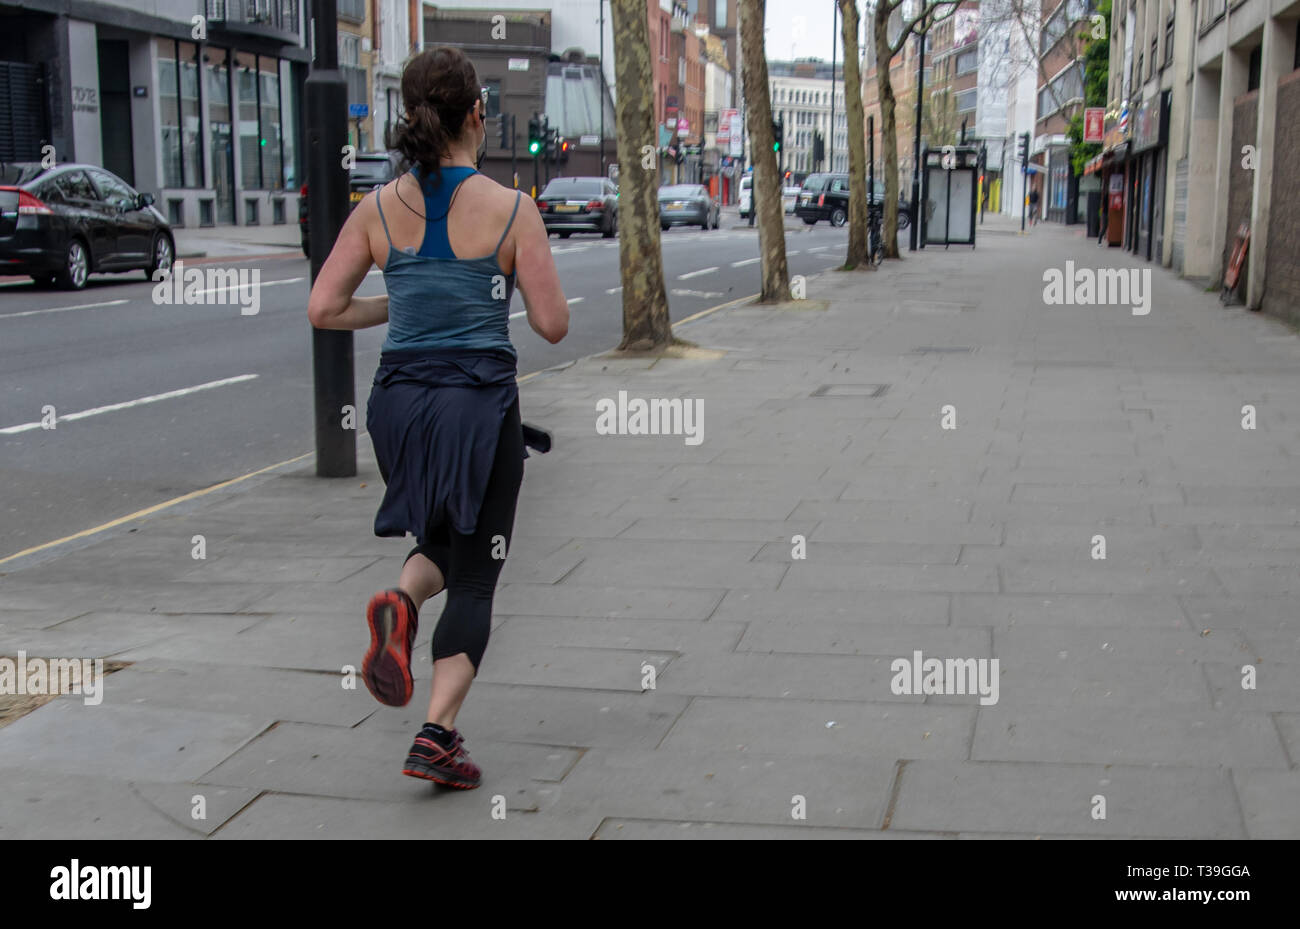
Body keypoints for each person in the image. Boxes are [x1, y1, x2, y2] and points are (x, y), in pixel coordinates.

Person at [307, 46, 569, 789]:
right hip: (478, 410)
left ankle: (399, 599)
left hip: (396, 407)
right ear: (477, 116)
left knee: (440, 545)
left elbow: (322, 308)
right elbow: (551, 324)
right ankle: (438, 733)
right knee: (478, 575)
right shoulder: (511, 208)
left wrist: (403, 302)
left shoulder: (378, 208)